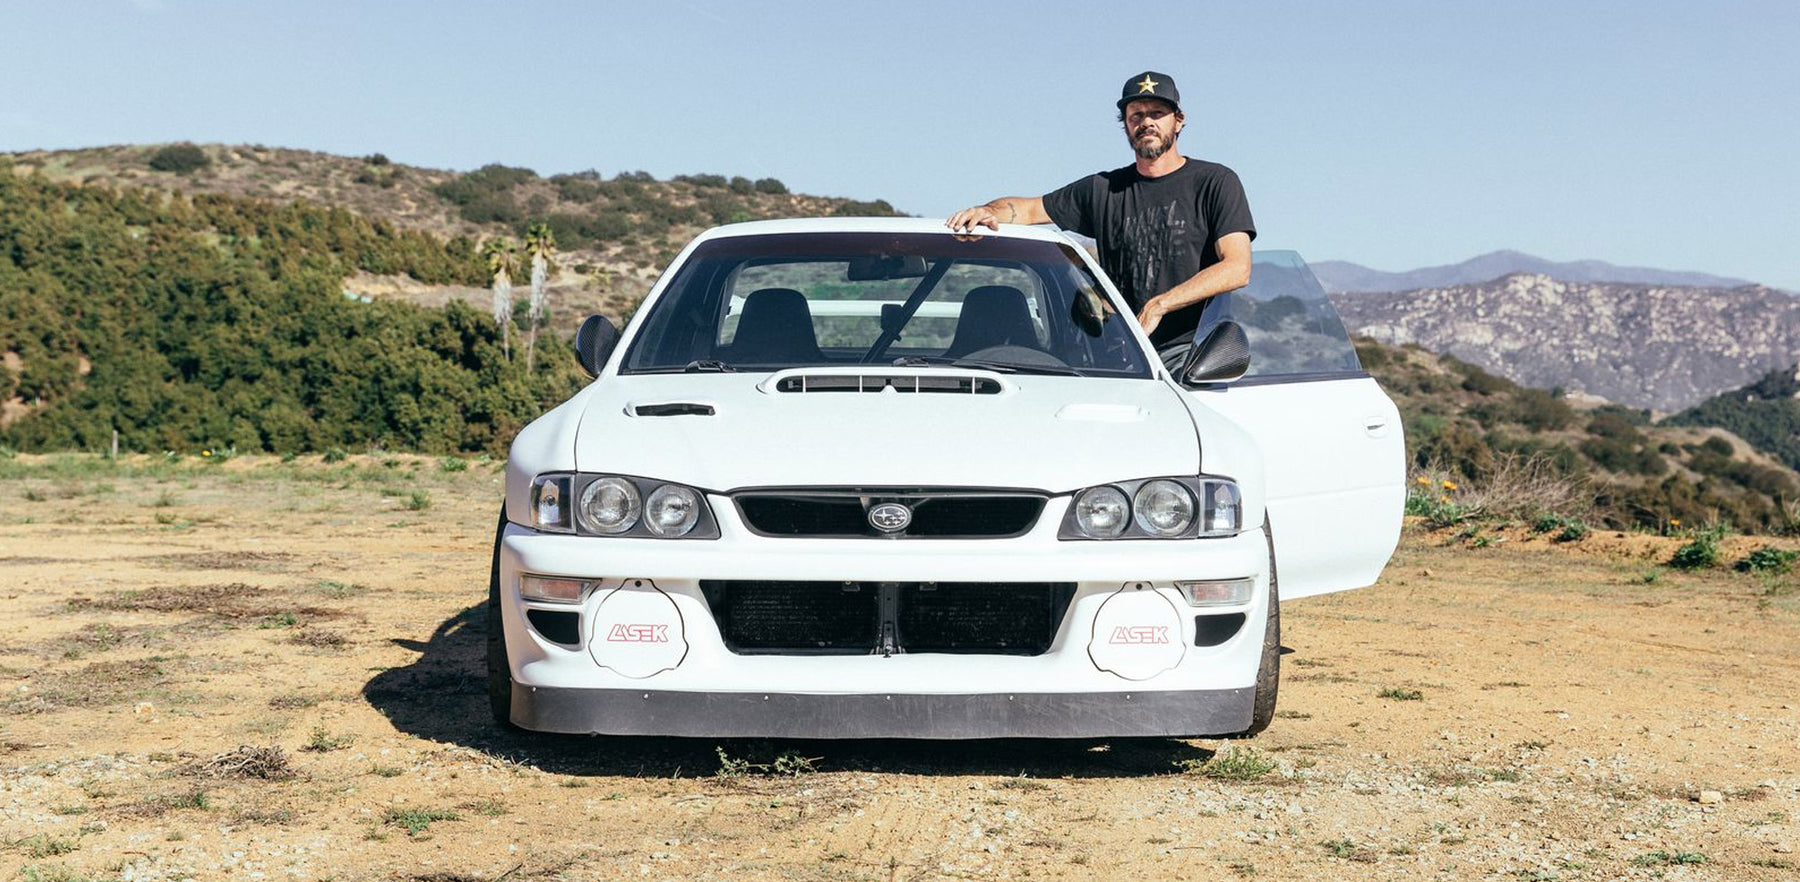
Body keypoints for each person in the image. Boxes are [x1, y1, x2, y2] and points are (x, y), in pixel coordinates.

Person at [946, 71, 1256, 349]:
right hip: (1120, 352)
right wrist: (987, 211)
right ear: (1125, 125)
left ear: (1179, 120)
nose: (1146, 122)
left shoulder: (1215, 181)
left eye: (1157, 113)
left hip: (1190, 352)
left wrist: (1158, 306)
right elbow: (1027, 210)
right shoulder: (1103, 189)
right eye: (1136, 115)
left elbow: (1237, 267)